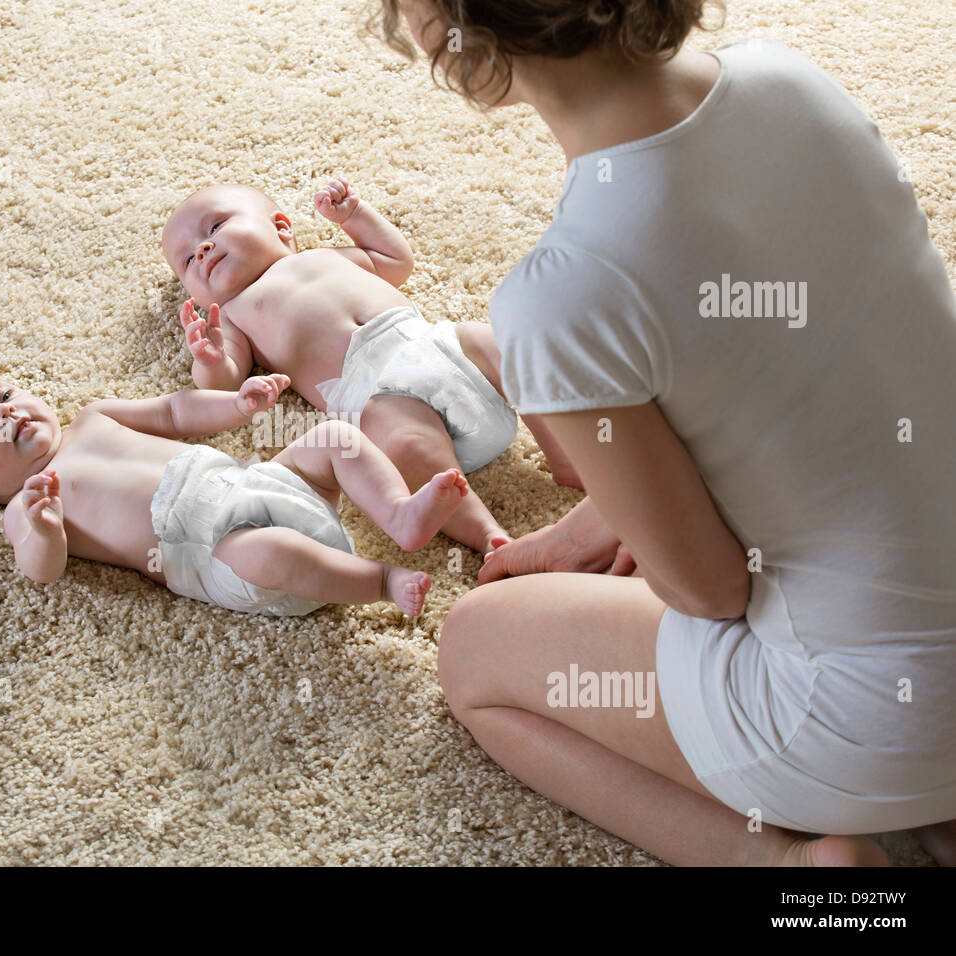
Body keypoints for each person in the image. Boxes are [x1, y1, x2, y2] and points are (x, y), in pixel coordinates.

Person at [377, 0, 956, 865]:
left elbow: (713, 590)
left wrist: (644, 521)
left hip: (879, 721)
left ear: (452, 27)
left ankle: (796, 868)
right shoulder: (789, 78)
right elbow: (800, 366)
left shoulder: (564, 295)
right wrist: (607, 513)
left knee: (474, 652)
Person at [162, 179, 583, 554]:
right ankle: (487, 536)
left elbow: (395, 261)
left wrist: (356, 216)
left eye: (214, 228)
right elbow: (225, 383)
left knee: (498, 341)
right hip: (379, 393)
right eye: (186, 261)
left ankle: (567, 455)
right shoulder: (234, 314)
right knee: (397, 435)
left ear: (281, 227)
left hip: (438, 346)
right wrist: (211, 358)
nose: (201, 249)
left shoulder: (326, 256)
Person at [0, 368, 469, 617]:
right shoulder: (26, 504)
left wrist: (235, 404)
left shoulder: (93, 417)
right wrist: (45, 529)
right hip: (213, 549)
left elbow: (171, 413)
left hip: (261, 480)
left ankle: (400, 513)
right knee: (267, 553)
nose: (6, 413)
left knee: (335, 439)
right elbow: (40, 570)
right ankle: (380, 580)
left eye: (5, 392)